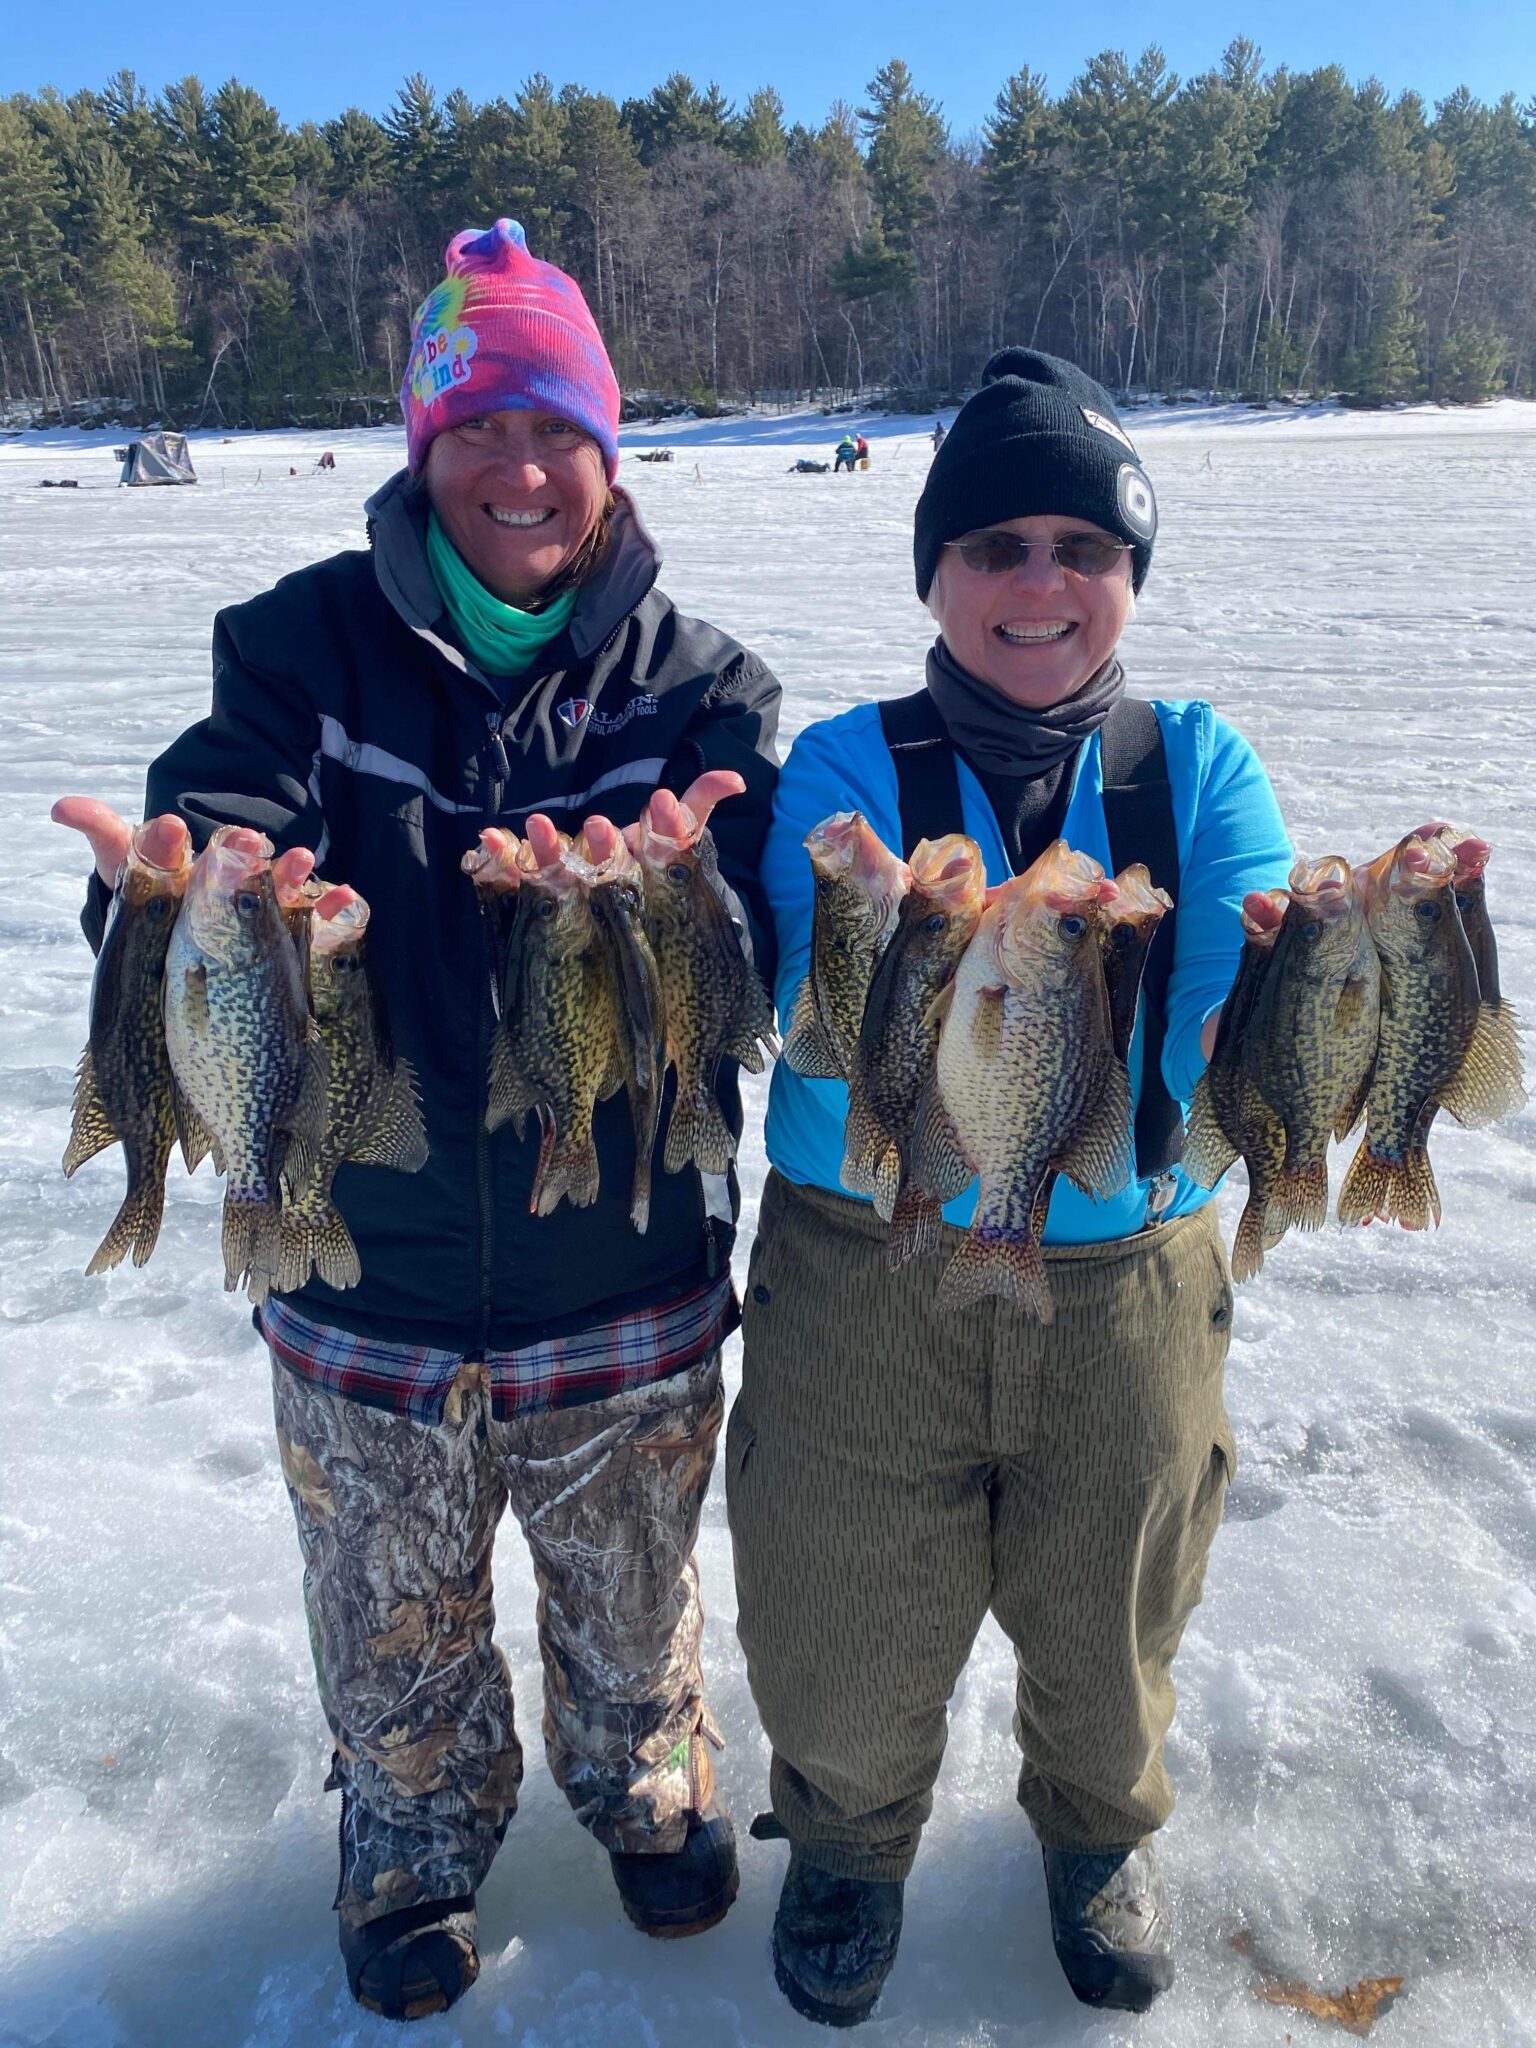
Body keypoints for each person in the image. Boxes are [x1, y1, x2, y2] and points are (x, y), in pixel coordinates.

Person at [54, 218, 780, 2023]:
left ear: (609, 445)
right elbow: (215, 822)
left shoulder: (705, 687)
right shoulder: (301, 648)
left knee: (632, 1583)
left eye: (553, 427)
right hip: (362, 1257)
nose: (517, 470)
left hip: (619, 1257)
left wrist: (704, 892)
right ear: (419, 447)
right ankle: (412, 1827)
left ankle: (640, 1770)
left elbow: (763, 953)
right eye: (475, 429)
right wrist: (175, 894)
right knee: (392, 1607)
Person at [730, 348, 1292, 2026]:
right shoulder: (843, 766)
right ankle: (845, 1837)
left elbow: (1207, 1031)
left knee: (1117, 1586)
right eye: (994, 546)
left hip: (1122, 1271)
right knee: (836, 1592)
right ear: (935, 572)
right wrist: (882, 927)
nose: (1039, 582)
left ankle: (1095, 1830)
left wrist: (1288, 974)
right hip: (871, 1252)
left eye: (1082, 547)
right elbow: (817, 1041)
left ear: (1127, 578)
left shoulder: (1197, 768)